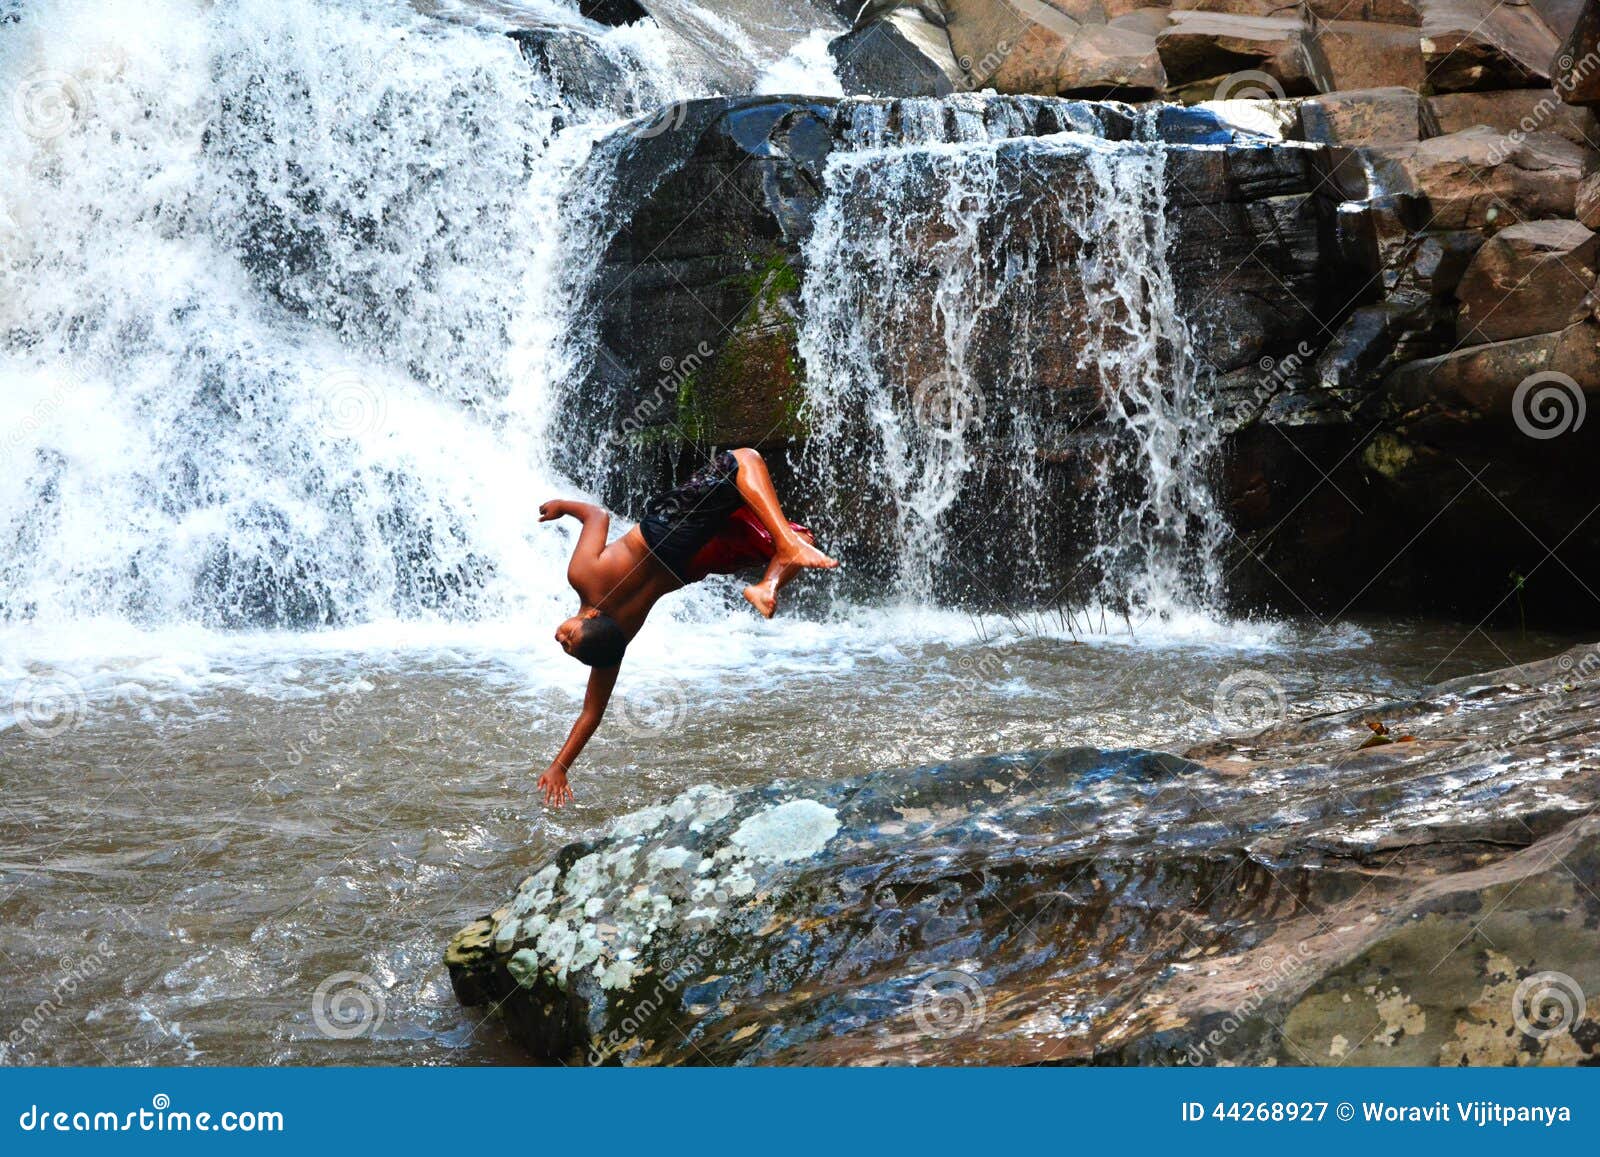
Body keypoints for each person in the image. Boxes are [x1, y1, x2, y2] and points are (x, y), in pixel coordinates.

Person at [536, 448, 837, 806]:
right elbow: (596, 516)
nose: (560, 636)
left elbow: (592, 713)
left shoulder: (617, 641)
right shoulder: (583, 577)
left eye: (565, 640)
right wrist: (563, 507)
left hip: (690, 566)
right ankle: (786, 550)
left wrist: (561, 766)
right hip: (667, 533)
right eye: (568, 641)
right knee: (744, 459)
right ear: (591, 618)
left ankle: (768, 584)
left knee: (798, 535)